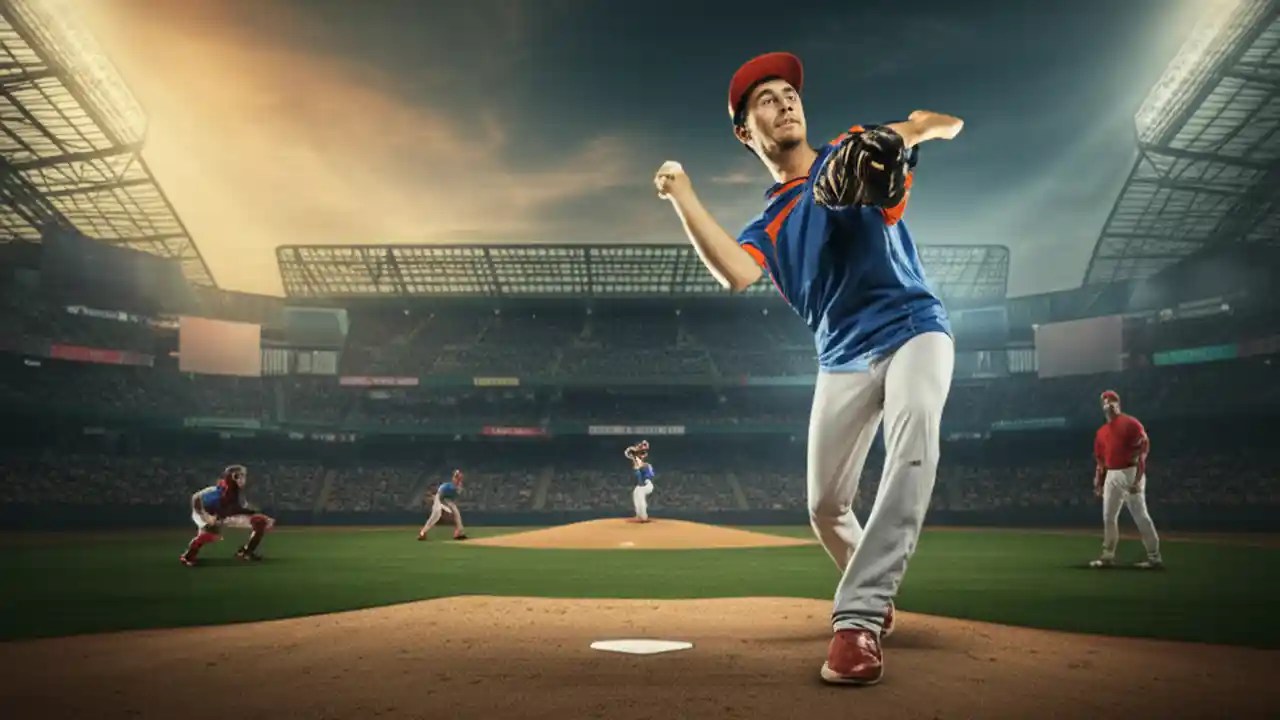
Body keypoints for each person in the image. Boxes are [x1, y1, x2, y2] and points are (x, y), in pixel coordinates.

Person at [653, 51, 963, 685]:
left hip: (913, 328)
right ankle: (874, 590)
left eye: (788, 92)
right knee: (824, 505)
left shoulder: (850, 148)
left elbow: (939, 125)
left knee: (914, 442)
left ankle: (858, 619)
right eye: (765, 98)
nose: (784, 100)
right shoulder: (768, 222)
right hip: (841, 356)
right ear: (745, 132)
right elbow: (735, 272)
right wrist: (683, 196)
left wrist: (917, 132)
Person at [1090, 390, 1162, 569]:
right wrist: (1098, 481)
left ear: (1118, 403)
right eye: (1105, 402)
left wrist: (1137, 480)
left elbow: (1142, 454)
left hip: (1130, 470)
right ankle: (1107, 555)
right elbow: (1100, 461)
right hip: (1112, 474)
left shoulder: (1131, 423)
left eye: (1112, 401)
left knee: (1141, 516)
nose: (1109, 405)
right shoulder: (1101, 432)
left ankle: (1154, 557)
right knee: (1108, 516)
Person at [180, 464, 275, 566]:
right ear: (234, 476)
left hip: (223, 515)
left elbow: (236, 508)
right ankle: (188, 556)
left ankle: (246, 552)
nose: (244, 478)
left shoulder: (236, 492)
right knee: (210, 534)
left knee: (260, 521)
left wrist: (257, 514)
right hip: (207, 513)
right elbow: (196, 498)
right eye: (242, 475)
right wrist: (205, 516)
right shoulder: (218, 491)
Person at [418, 469, 467, 541]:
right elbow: (440, 497)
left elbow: (454, 498)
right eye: (456, 477)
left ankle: (459, 533)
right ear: (453, 478)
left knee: (456, 513)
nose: (457, 479)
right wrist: (445, 507)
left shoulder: (459, 487)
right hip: (439, 499)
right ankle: (422, 532)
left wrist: (451, 507)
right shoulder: (446, 486)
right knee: (436, 515)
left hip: (448, 500)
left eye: (459, 477)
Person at [625, 440, 655, 522]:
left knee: (640, 495)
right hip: (641, 484)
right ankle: (638, 515)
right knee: (636, 493)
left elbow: (641, 463)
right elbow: (628, 453)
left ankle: (644, 517)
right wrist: (634, 452)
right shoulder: (639, 461)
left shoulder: (646, 464)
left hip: (647, 484)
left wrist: (637, 451)